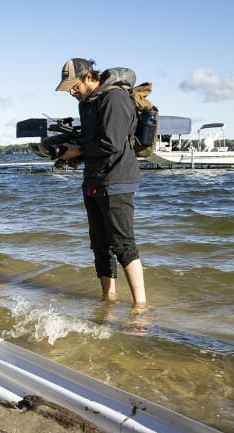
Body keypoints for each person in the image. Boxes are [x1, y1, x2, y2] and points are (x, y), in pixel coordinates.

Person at [55, 58, 147, 306]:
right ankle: (109, 299)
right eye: (68, 88)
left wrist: (77, 150)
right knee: (99, 245)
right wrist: (72, 151)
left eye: (74, 86)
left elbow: (112, 144)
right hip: (94, 180)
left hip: (117, 180)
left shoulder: (113, 98)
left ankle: (140, 306)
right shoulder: (86, 104)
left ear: (88, 77)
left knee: (123, 245)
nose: (72, 92)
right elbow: (92, 142)